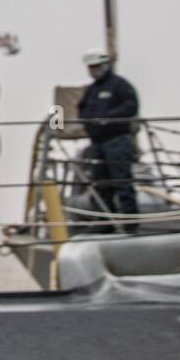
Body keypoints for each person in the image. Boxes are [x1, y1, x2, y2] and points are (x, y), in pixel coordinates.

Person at [77, 48, 140, 229]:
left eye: (95, 66)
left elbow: (131, 106)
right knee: (101, 184)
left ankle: (131, 225)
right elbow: (82, 109)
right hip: (97, 143)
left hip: (117, 141)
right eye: (90, 67)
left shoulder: (119, 85)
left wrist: (108, 118)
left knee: (122, 182)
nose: (93, 70)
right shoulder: (92, 90)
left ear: (104, 65)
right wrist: (90, 123)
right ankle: (105, 223)